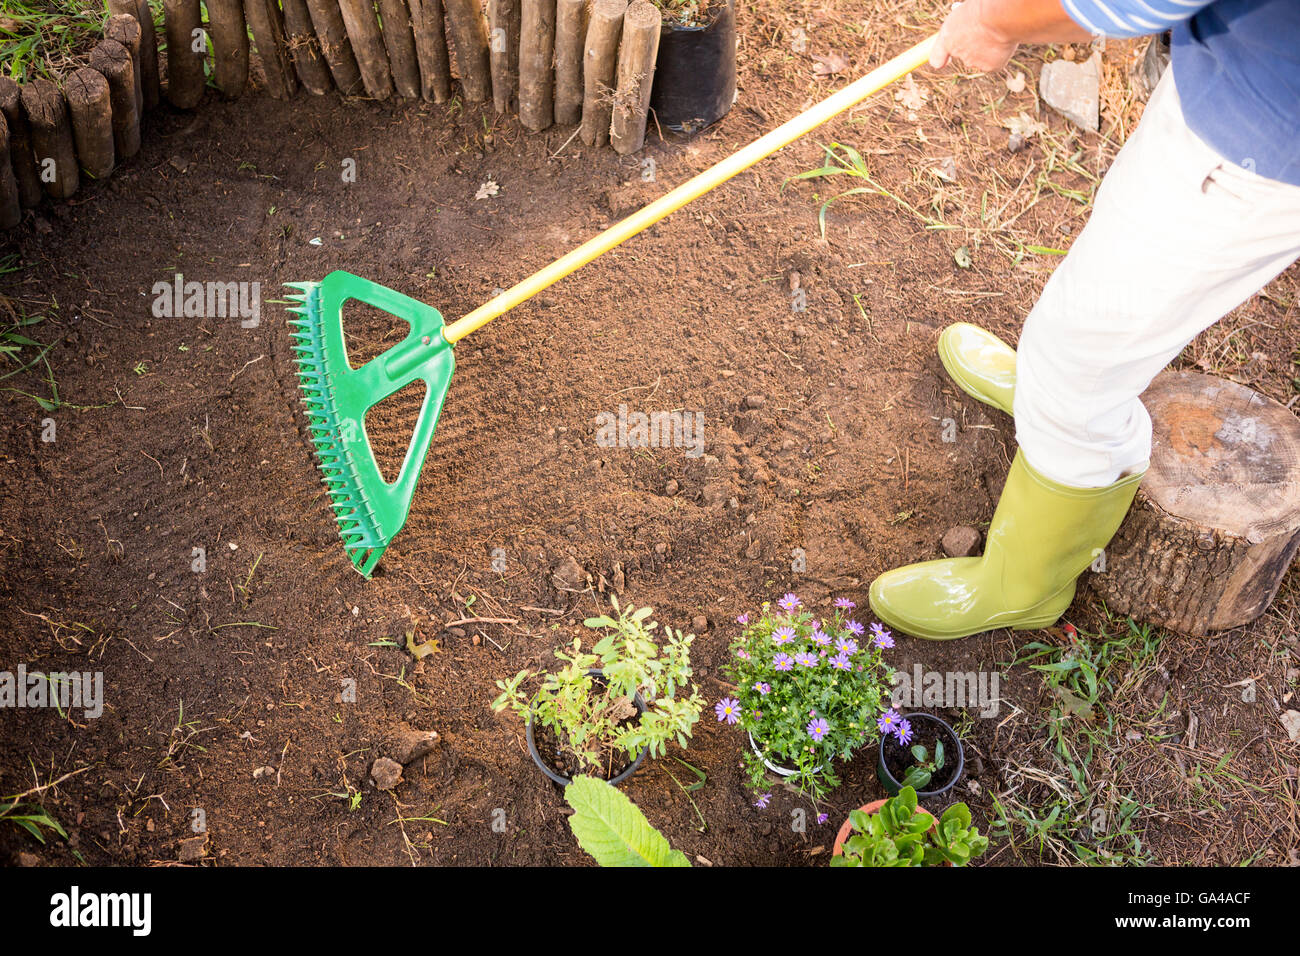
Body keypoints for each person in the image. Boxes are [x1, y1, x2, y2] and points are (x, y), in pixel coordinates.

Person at [868, 0, 1300, 640]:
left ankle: (1024, 587)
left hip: (1252, 151)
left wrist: (995, 22)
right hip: (1232, 99)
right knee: (1118, 274)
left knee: (1085, 359)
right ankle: (1049, 396)